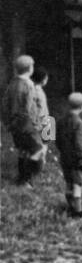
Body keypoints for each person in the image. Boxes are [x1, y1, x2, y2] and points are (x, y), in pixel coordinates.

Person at [2, 55, 45, 185]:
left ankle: (21, 177)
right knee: (38, 150)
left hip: (14, 126)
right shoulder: (29, 85)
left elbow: (4, 105)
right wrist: (36, 125)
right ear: (30, 69)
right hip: (26, 126)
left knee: (22, 151)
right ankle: (27, 179)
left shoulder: (12, 84)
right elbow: (29, 109)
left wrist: (7, 123)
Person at [56, 92, 82, 219]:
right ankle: (77, 211)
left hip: (65, 157)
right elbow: (80, 144)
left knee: (69, 182)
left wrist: (62, 150)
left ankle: (70, 205)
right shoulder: (79, 123)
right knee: (77, 184)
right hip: (76, 159)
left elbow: (57, 139)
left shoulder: (60, 120)